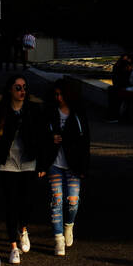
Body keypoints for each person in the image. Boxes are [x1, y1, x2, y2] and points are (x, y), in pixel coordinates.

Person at [0, 75, 49, 265]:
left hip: (29, 162)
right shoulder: (1, 111)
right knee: (11, 204)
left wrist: (43, 164)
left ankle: (24, 230)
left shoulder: (33, 110)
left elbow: (43, 137)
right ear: (10, 90)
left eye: (24, 88)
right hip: (7, 163)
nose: (22, 91)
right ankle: (13, 247)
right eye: (18, 88)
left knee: (26, 203)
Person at [43, 78, 90, 256]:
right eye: (56, 94)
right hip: (54, 163)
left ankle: (68, 225)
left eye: (62, 94)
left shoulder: (78, 114)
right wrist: (50, 139)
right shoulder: (49, 112)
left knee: (73, 201)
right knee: (56, 200)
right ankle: (58, 239)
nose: (59, 97)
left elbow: (85, 141)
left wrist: (85, 167)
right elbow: (40, 135)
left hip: (74, 165)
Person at [106, 53, 133, 121]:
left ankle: (113, 116)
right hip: (121, 88)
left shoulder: (118, 65)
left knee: (114, 99)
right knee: (117, 100)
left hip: (118, 87)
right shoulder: (123, 66)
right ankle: (115, 116)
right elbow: (124, 80)